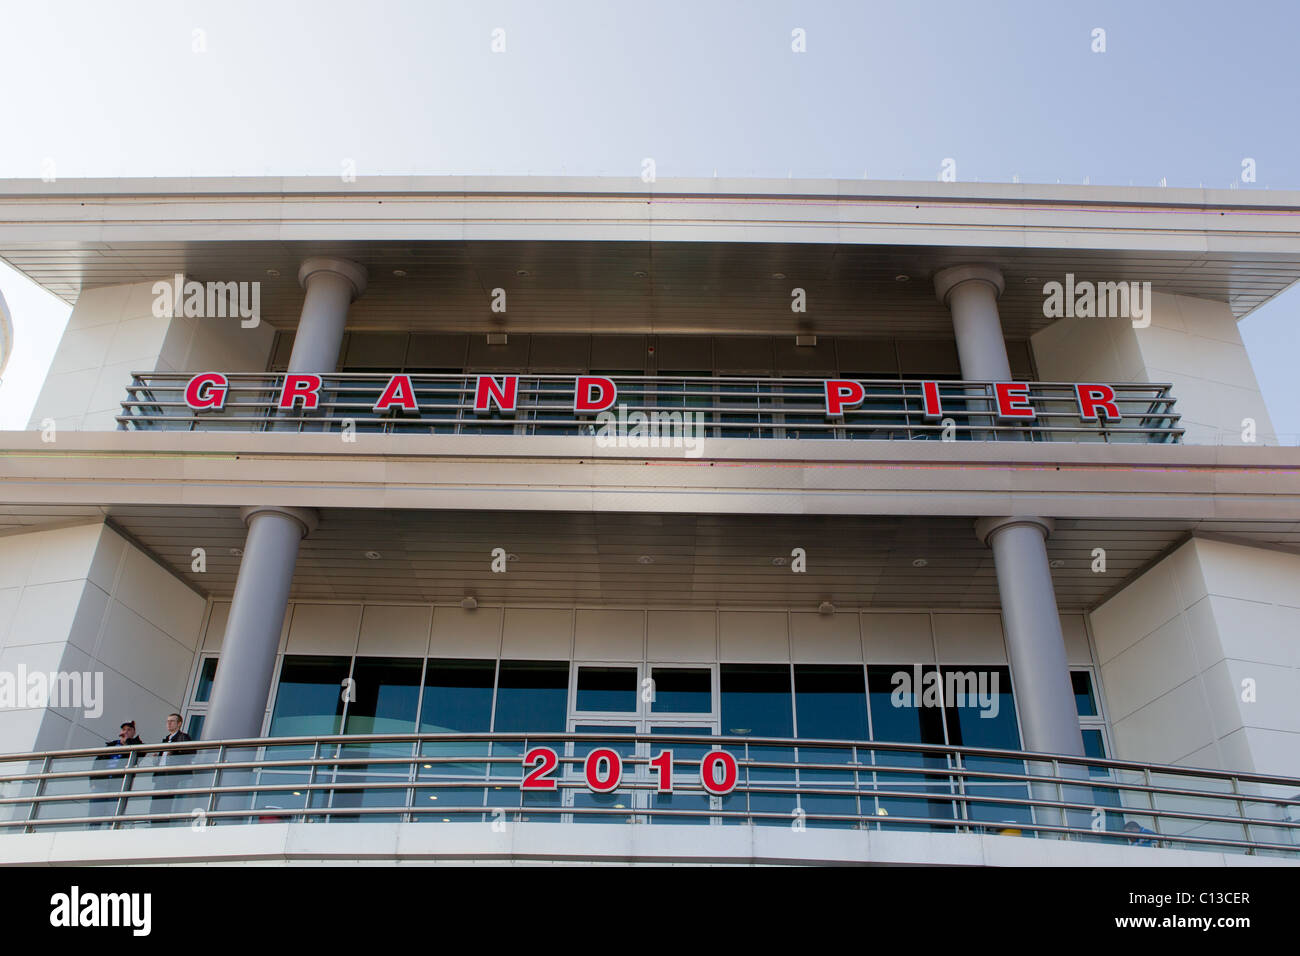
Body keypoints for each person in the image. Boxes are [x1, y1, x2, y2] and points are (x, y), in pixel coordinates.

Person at [90, 721, 143, 827]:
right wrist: (92, 782)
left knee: (113, 815)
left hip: (118, 785)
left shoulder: (137, 744)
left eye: (129, 730)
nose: (126, 732)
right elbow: (97, 763)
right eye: (124, 730)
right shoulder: (111, 745)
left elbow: (141, 754)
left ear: (133, 732)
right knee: (95, 815)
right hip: (102, 784)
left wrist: (127, 741)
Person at [151, 713, 194, 825]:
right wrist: (156, 760)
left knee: (165, 803)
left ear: (179, 724)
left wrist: (174, 753)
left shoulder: (183, 737)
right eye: (167, 721)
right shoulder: (166, 739)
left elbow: (190, 753)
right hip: (161, 775)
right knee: (155, 803)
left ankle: (161, 825)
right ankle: (154, 823)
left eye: (172, 721)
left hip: (171, 776)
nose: (169, 723)